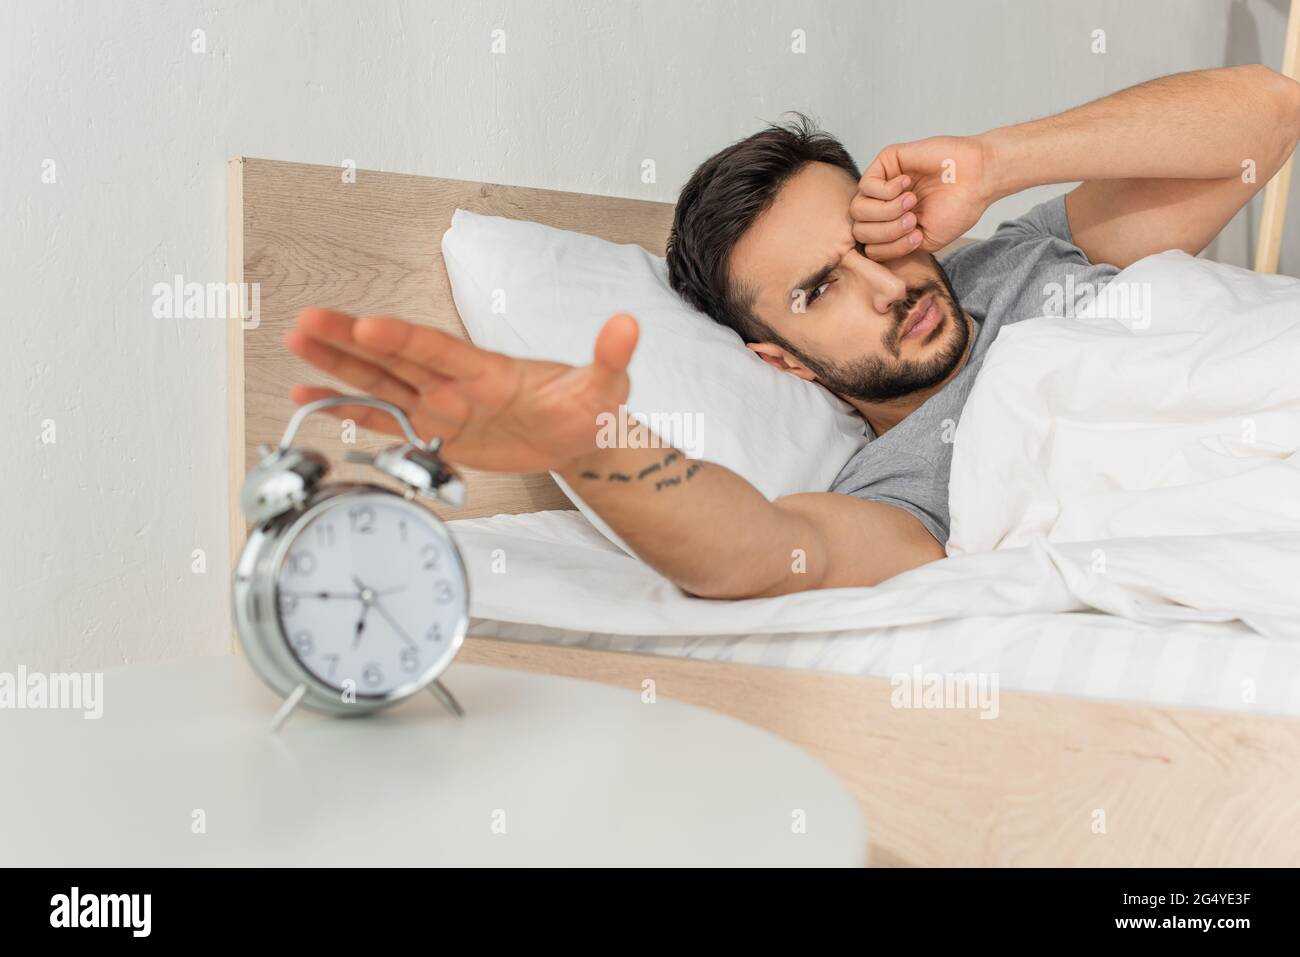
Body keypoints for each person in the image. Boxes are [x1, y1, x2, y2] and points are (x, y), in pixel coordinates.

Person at [285, 65, 1300, 598]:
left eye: (869, 236)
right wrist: (595, 448)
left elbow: (1266, 114)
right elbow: (758, 553)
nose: (888, 285)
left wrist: (998, 161)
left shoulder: (1027, 254)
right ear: (775, 359)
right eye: (820, 290)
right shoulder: (901, 486)